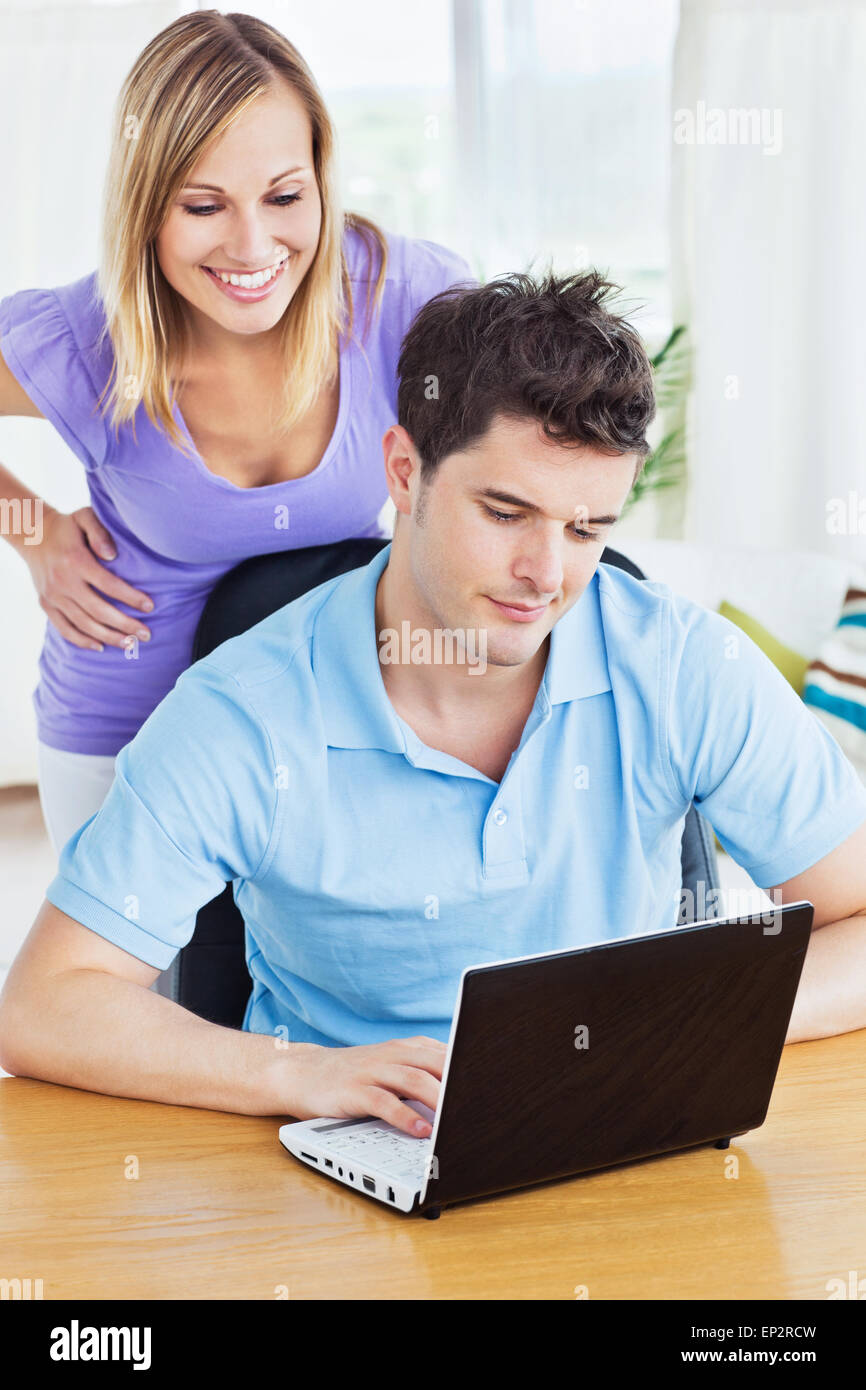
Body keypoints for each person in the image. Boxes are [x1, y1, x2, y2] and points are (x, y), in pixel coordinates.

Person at [2, 270, 866, 1140]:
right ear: (405, 472)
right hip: (350, 1164)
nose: (547, 574)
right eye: (505, 511)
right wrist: (303, 1074)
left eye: (587, 529)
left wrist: (672, 1019)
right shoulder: (244, 712)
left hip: (622, 1132)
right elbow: (46, 1005)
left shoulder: (685, 667)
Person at [0, 10, 473, 854]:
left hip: (328, 717)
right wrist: (32, 534)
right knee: (127, 984)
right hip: (128, 728)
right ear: (148, 209)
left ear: (323, 180)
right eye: (204, 205)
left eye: (285, 197)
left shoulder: (403, 298)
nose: (254, 245)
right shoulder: (87, 344)